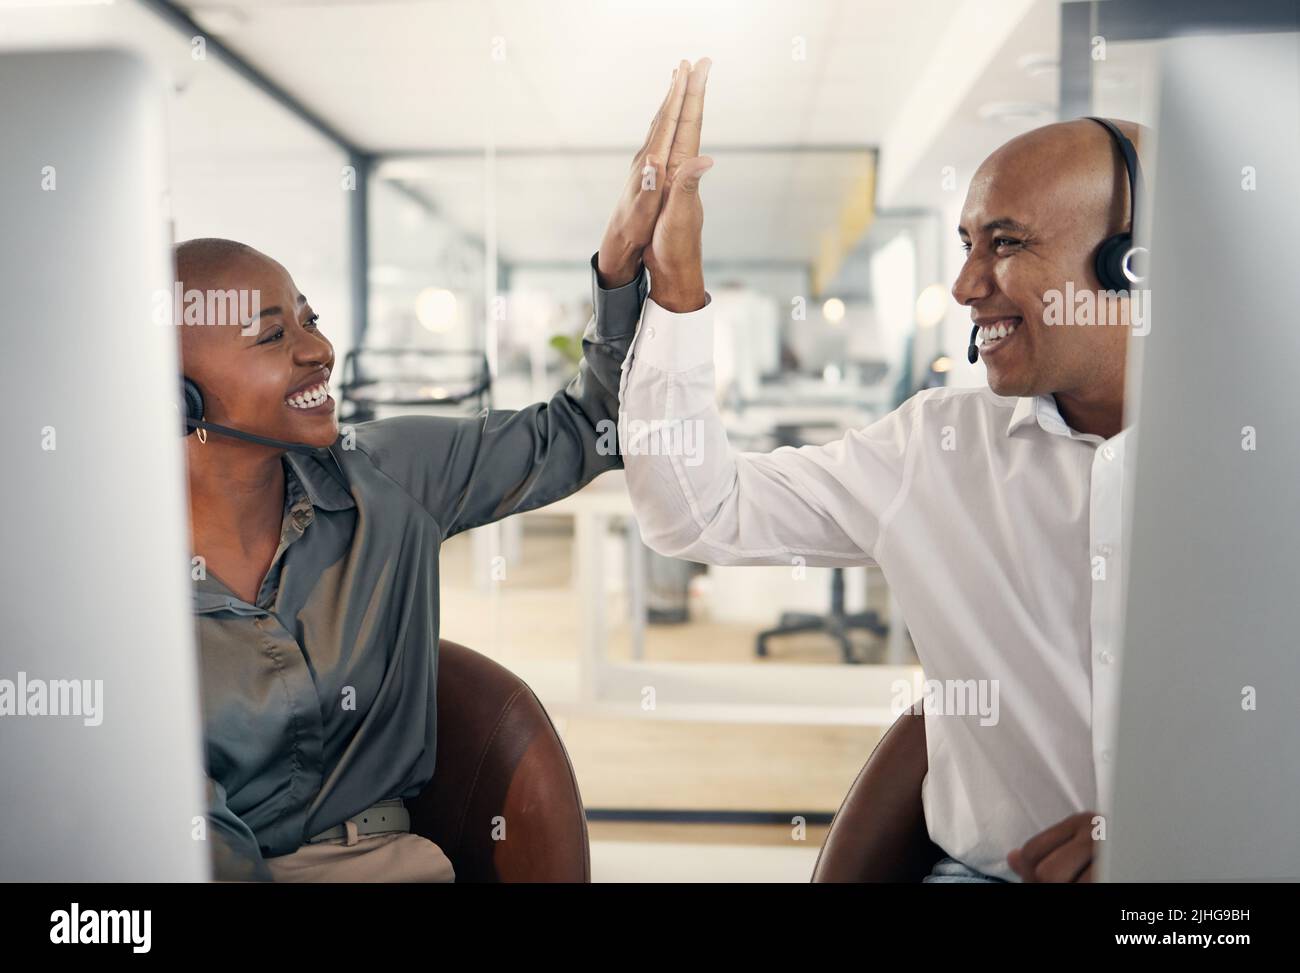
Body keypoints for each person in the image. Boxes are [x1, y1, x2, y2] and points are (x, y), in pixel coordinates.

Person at [614, 57, 1146, 883]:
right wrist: (676, 291)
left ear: (1132, 267)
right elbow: (696, 512)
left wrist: (1172, 834)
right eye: (968, 244)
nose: (968, 284)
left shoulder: (1257, 465)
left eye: (1005, 244)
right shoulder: (934, 447)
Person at [186, 60, 706, 881]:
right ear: (178, 398)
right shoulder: (114, 591)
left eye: (311, 319)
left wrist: (617, 266)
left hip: (388, 862)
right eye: (271, 334)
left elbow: (587, 430)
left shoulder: (385, 471)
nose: (319, 348)